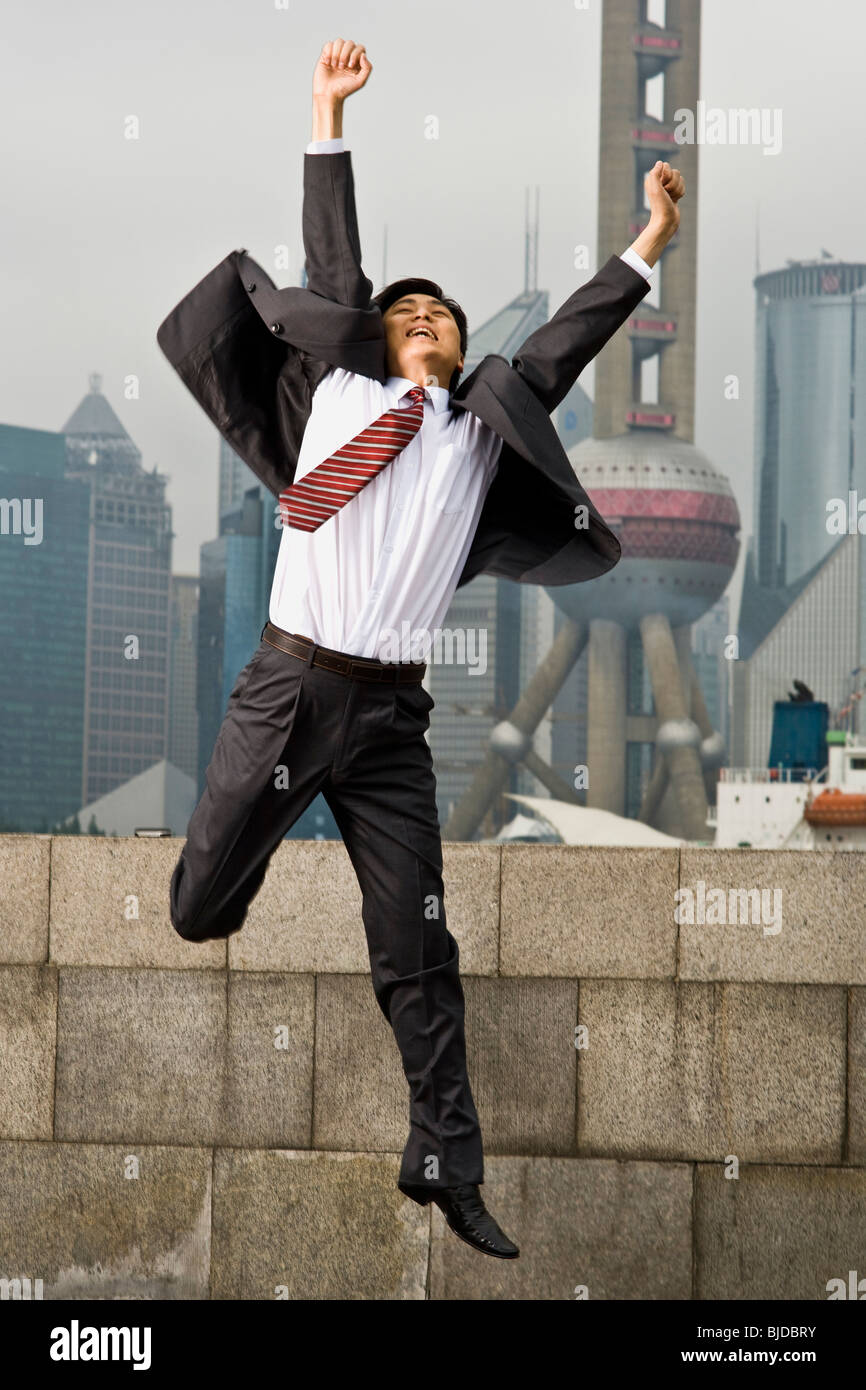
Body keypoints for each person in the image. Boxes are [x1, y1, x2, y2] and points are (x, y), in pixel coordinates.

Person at [158, 36, 684, 1260]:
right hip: (289, 690)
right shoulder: (337, 389)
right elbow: (336, 258)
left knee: (418, 947)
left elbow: (567, 336)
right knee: (193, 910)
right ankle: (213, 877)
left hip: (392, 723)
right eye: (411, 313)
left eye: (442, 317)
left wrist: (647, 240)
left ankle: (443, 1159)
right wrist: (326, 112)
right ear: (376, 335)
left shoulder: (480, 430)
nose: (430, 322)